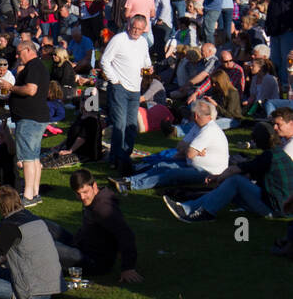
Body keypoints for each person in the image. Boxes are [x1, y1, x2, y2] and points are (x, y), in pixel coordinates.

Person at [165, 107, 293, 221]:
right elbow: (248, 172)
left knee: (235, 181)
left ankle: (201, 211)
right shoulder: (278, 154)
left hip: (276, 209)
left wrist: (218, 177)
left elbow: (235, 170)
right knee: (232, 183)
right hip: (281, 206)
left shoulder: (269, 156)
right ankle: (190, 207)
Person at [46, 169, 141, 283]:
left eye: (85, 192)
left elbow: (126, 234)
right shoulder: (94, 198)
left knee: (45, 247)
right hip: (80, 244)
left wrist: (128, 267)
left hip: (93, 261)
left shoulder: (103, 209)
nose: (82, 197)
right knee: (43, 225)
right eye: (78, 193)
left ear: (94, 186)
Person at [118, 99, 229, 192]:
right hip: (193, 165)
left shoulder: (209, 130)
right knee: (162, 165)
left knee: (171, 174)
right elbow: (180, 146)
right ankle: (128, 180)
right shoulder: (198, 126)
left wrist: (189, 149)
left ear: (195, 115)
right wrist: (192, 149)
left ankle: (132, 185)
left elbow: (189, 153)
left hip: (208, 172)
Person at [100, 15, 153, 176]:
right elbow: (104, 61)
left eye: (139, 29)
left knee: (131, 125)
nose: (135, 31)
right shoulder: (119, 39)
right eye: (133, 27)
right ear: (129, 25)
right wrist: (115, 80)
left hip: (135, 88)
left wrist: (148, 68)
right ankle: (115, 158)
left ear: (144, 29)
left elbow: (145, 61)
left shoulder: (143, 42)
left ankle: (125, 156)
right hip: (120, 88)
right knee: (120, 124)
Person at [4, 41, 49, 206]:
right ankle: (35, 193)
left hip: (30, 117)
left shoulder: (33, 66)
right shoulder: (38, 66)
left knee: (28, 158)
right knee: (35, 157)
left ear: (28, 50)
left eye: (19, 52)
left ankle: (28, 196)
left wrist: (11, 88)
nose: (17, 56)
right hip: (36, 117)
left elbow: (30, 90)